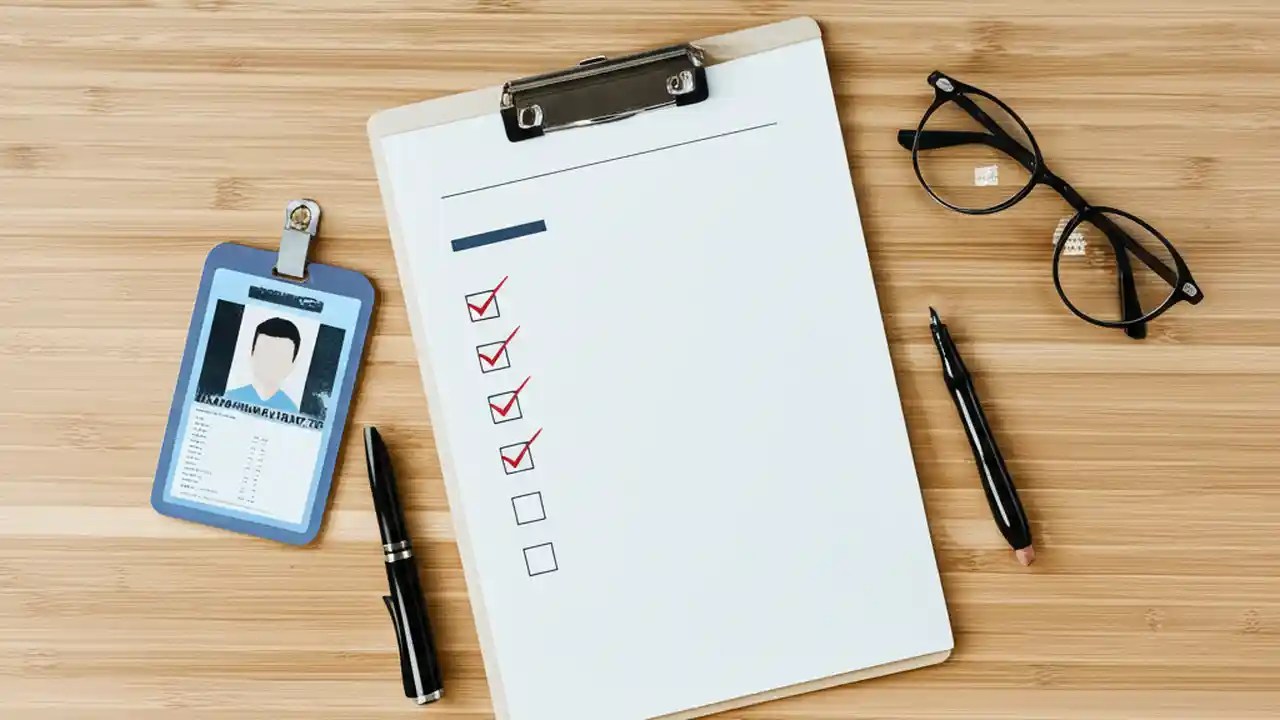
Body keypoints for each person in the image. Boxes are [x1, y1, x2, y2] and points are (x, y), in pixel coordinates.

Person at [224, 317, 302, 413]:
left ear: (292, 365)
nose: (271, 362)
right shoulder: (228, 398)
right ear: (251, 355)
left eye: (280, 356)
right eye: (264, 353)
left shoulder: (292, 412)